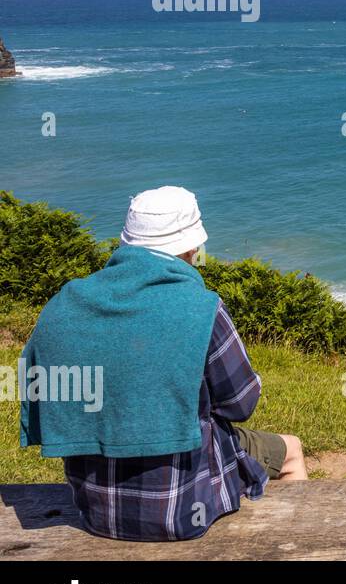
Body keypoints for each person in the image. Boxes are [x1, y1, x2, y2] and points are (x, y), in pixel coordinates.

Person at [20, 186, 306, 542]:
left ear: (127, 244)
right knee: (290, 450)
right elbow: (241, 405)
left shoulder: (65, 304)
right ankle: (289, 545)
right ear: (190, 248)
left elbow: (37, 386)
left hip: (95, 513)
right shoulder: (202, 308)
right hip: (183, 513)